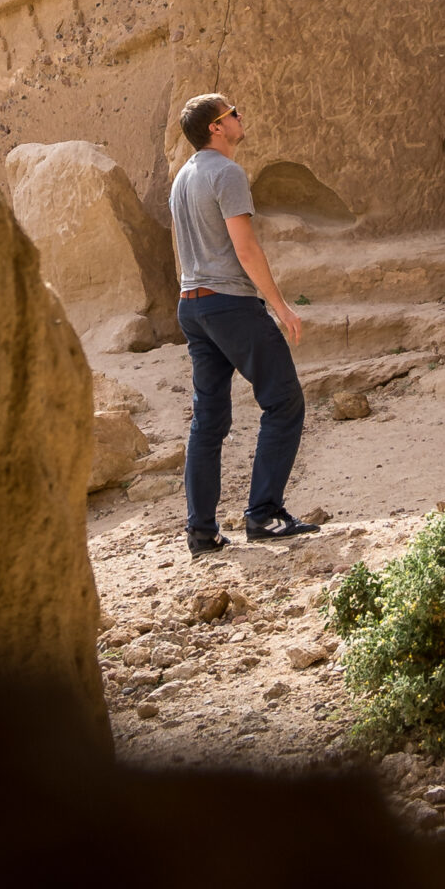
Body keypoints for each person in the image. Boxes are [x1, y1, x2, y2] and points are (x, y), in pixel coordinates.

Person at [169, 93, 321, 556]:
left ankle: (202, 531)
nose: (240, 117)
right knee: (284, 401)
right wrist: (280, 306)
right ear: (217, 128)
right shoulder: (227, 172)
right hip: (230, 304)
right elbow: (245, 247)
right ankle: (264, 514)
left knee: (208, 421)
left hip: (192, 305)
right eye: (232, 113)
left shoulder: (183, 177)